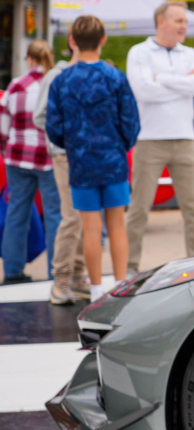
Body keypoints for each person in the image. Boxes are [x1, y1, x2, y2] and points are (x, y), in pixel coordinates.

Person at [46, 16, 140, 301]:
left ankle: (97, 288)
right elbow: (131, 122)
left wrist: (73, 146)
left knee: (90, 229)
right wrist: (121, 146)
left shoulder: (61, 81)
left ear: (72, 41)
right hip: (113, 161)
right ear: (103, 40)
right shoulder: (116, 77)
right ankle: (121, 283)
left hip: (81, 163)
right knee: (116, 226)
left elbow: (54, 127)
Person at [125, 1, 194, 274]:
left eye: (185, 21)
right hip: (150, 139)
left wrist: (162, 77)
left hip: (185, 139)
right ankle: (128, 268)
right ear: (162, 22)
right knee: (138, 209)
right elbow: (143, 91)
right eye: (179, 21)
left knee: (193, 209)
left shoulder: (191, 53)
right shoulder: (139, 52)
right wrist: (182, 82)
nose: (184, 26)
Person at [0, 40, 61, 284]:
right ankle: (56, 273)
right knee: (55, 216)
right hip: (48, 158)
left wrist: (6, 149)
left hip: (17, 158)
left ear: (29, 59)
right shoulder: (55, 84)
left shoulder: (16, 85)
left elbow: (3, 127)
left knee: (17, 214)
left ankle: (13, 272)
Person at [34, 42, 88, 303]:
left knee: (83, 216)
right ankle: (62, 279)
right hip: (65, 155)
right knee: (71, 217)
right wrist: (64, 140)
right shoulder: (55, 76)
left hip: (87, 155)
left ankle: (77, 277)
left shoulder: (92, 73)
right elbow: (40, 115)